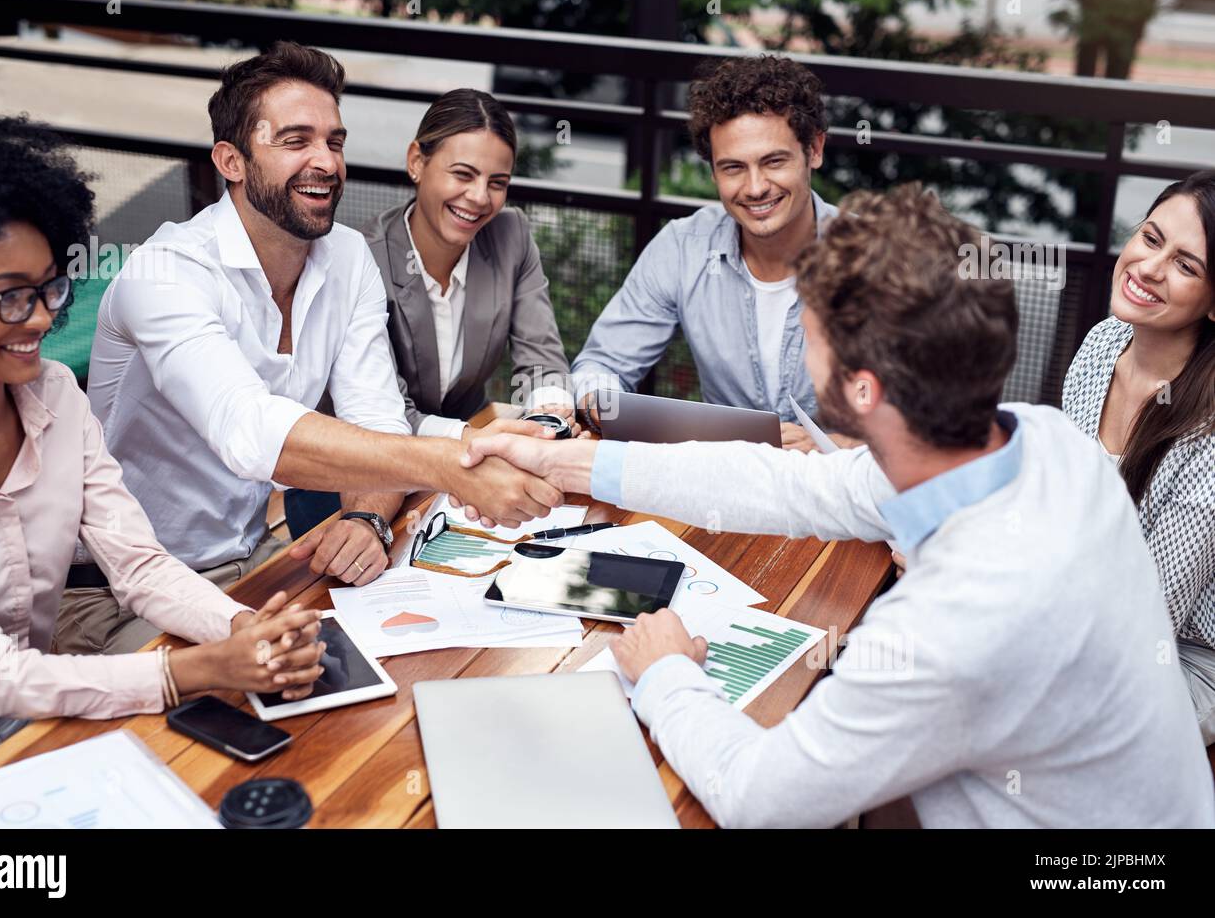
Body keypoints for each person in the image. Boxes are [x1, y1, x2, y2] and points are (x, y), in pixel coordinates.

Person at [459, 184, 1215, 828]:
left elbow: (758, 795)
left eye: (809, 328)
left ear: (861, 390)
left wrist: (663, 672)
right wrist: (561, 459)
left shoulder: (943, 631)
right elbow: (787, 484)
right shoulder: (1048, 443)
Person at [75, 41, 561, 656]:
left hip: (255, 563)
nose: (325, 162)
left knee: (434, 660)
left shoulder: (347, 257)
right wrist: (446, 462)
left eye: (334, 142)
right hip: (113, 592)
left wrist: (367, 517)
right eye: (295, 141)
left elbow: (376, 417)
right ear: (231, 160)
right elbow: (250, 432)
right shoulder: (166, 273)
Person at [0, 116, 325, 798]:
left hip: (34, 716)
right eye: (12, 296)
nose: (44, 318)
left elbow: (138, 564)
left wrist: (246, 628)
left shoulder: (55, 398)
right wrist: (194, 670)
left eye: (51, 288)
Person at [282, 88, 580, 538]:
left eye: (497, 182)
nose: (479, 198)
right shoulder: (362, 260)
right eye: (463, 174)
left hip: (470, 472)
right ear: (417, 162)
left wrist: (547, 422)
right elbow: (384, 412)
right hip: (354, 487)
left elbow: (540, 359)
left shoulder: (510, 236)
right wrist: (480, 442)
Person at [569, 54, 855, 451]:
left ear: (815, 149)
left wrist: (828, 445)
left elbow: (932, 428)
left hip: (844, 496)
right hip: (725, 490)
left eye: (773, 162)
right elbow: (602, 365)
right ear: (713, 172)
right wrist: (599, 402)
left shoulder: (878, 259)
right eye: (733, 168)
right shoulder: (683, 247)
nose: (755, 188)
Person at [1062, 170, 1215, 744]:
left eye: (1187, 265)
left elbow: (1145, 625)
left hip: (1184, 658)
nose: (1150, 268)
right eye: (1151, 239)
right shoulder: (1103, 343)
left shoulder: (1208, 431)